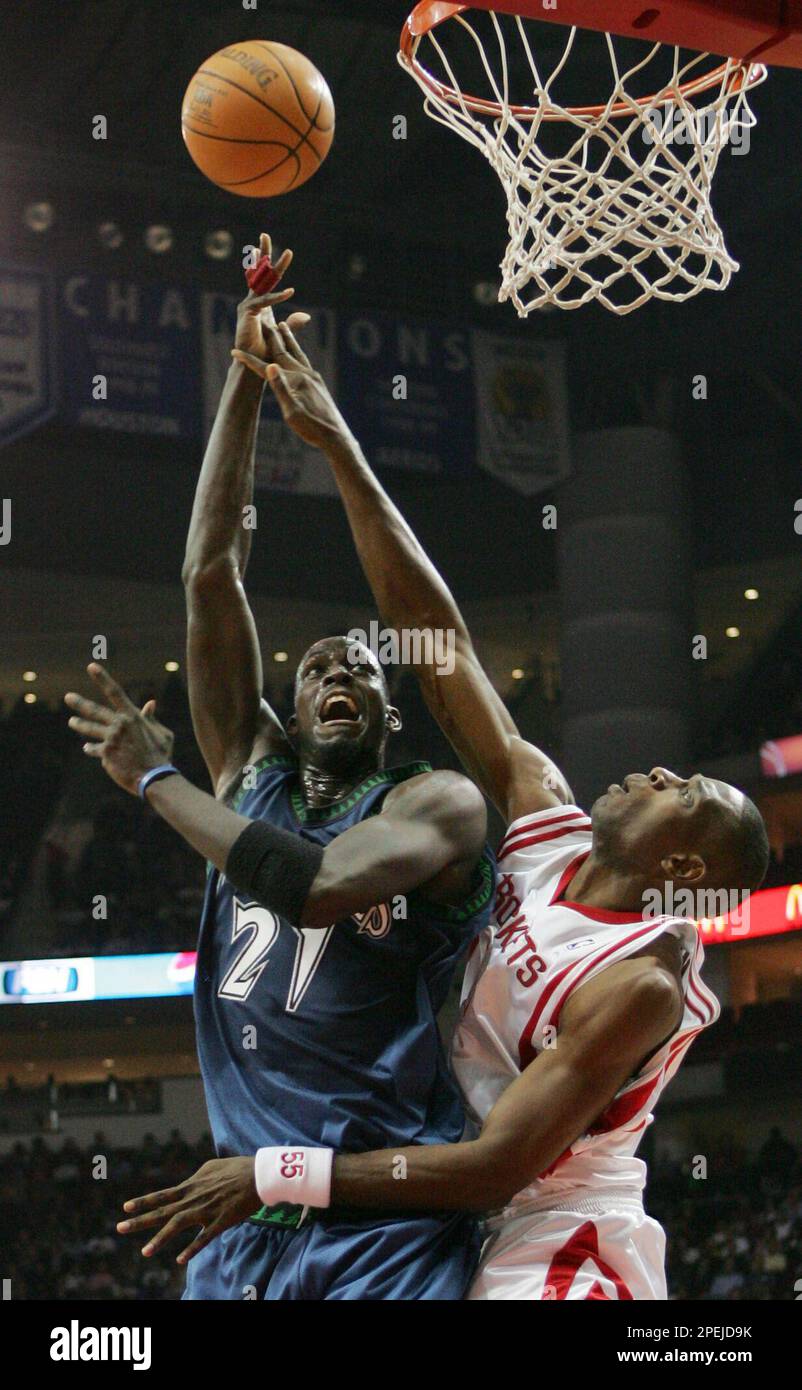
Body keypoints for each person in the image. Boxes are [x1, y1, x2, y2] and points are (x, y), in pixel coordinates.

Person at [110, 263, 769, 1302]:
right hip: (416, 1195)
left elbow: (499, 1165)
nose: (650, 768)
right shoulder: (546, 821)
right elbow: (439, 641)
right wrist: (334, 443)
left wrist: (150, 776)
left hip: (545, 1225)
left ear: (680, 863)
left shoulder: (634, 971)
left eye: (678, 786)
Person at [64, 235, 495, 1301]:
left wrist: (158, 784)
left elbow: (310, 887)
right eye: (314, 666)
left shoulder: (433, 803)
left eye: (359, 665)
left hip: (380, 1211)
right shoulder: (248, 767)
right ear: (288, 709)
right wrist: (242, 382)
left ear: (388, 709)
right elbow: (211, 570)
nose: (338, 666)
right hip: (241, 1213)